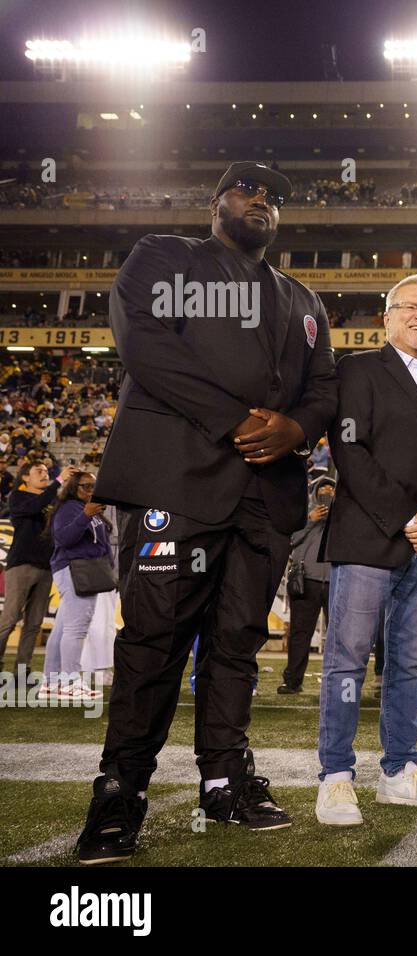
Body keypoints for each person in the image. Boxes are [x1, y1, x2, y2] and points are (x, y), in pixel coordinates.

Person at [77, 162, 338, 864]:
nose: (264, 203)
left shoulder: (304, 299)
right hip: (176, 480)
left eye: (275, 197)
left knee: (236, 645)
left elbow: (325, 386)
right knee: (155, 640)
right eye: (251, 190)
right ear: (215, 201)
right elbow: (146, 347)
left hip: (262, 494)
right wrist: (238, 421)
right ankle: (120, 791)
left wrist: (295, 430)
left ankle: (224, 779)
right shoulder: (165, 257)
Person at [315, 274, 417, 826]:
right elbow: (350, 449)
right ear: (386, 317)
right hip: (368, 539)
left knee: (409, 665)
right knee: (346, 662)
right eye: (409, 307)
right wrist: (408, 518)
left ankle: (399, 772)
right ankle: (336, 777)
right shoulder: (359, 370)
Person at [40, 470, 110, 701]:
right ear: (73, 487)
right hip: (75, 570)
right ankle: (70, 682)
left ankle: (50, 682)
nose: (90, 490)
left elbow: (101, 542)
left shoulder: (90, 507)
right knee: (76, 628)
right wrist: (85, 516)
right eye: (85, 486)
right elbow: (63, 538)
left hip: (81, 570)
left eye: (93, 486)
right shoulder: (69, 507)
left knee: (62, 628)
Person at [0, 460, 58, 683]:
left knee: (34, 624)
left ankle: (21, 672)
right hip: (21, 564)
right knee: (9, 619)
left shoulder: (51, 499)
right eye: (39, 471)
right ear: (25, 477)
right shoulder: (18, 497)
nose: (45, 475)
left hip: (46, 567)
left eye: (46, 471)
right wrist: (58, 482)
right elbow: (35, 507)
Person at [278, 475, 335, 694]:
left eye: (331, 489)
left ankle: (334, 682)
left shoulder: (342, 516)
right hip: (306, 581)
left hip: (334, 580)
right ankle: (292, 681)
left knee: (337, 635)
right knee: (300, 634)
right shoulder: (302, 513)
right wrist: (310, 520)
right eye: (323, 489)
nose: (327, 492)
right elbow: (290, 540)